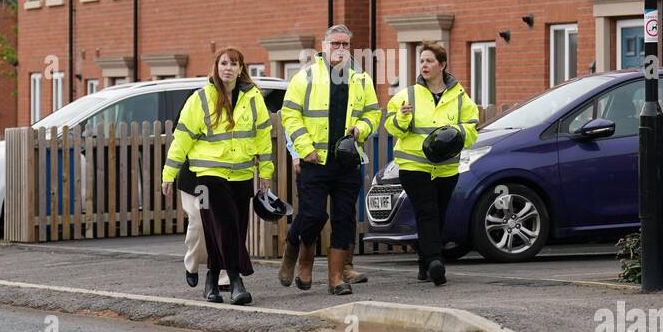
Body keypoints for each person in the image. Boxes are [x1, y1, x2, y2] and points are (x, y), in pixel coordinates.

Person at [162, 48, 274, 305]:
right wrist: (169, 174)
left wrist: (265, 172)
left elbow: (263, 137)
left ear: (240, 68)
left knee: (232, 228)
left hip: (242, 173)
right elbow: (182, 138)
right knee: (225, 224)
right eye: (224, 63)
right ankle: (236, 281)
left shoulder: (253, 98)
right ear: (216, 66)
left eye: (233, 64)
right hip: (209, 175)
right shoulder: (200, 99)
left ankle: (212, 278)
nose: (228, 68)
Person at [278, 24, 381, 294]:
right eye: (335, 44)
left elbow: (373, 113)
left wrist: (361, 129)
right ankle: (300, 256)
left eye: (345, 45)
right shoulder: (306, 77)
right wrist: (304, 147)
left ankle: (336, 278)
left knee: (344, 218)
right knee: (312, 215)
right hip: (315, 160)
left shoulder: (361, 79)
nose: (341, 49)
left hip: (347, 161)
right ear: (324, 47)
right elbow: (289, 115)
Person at [384, 41, 478, 286]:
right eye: (422, 61)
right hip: (414, 166)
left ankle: (424, 261)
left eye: (429, 61)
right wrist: (401, 118)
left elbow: (472, 128)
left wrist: (455, 132)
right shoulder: (408, 95)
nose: (424, 65)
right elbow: (391, 127)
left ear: (442, 65)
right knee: (427, 212)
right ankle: (436, 261)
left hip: (446, 167)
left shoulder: (459, 96)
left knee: (439, 215)